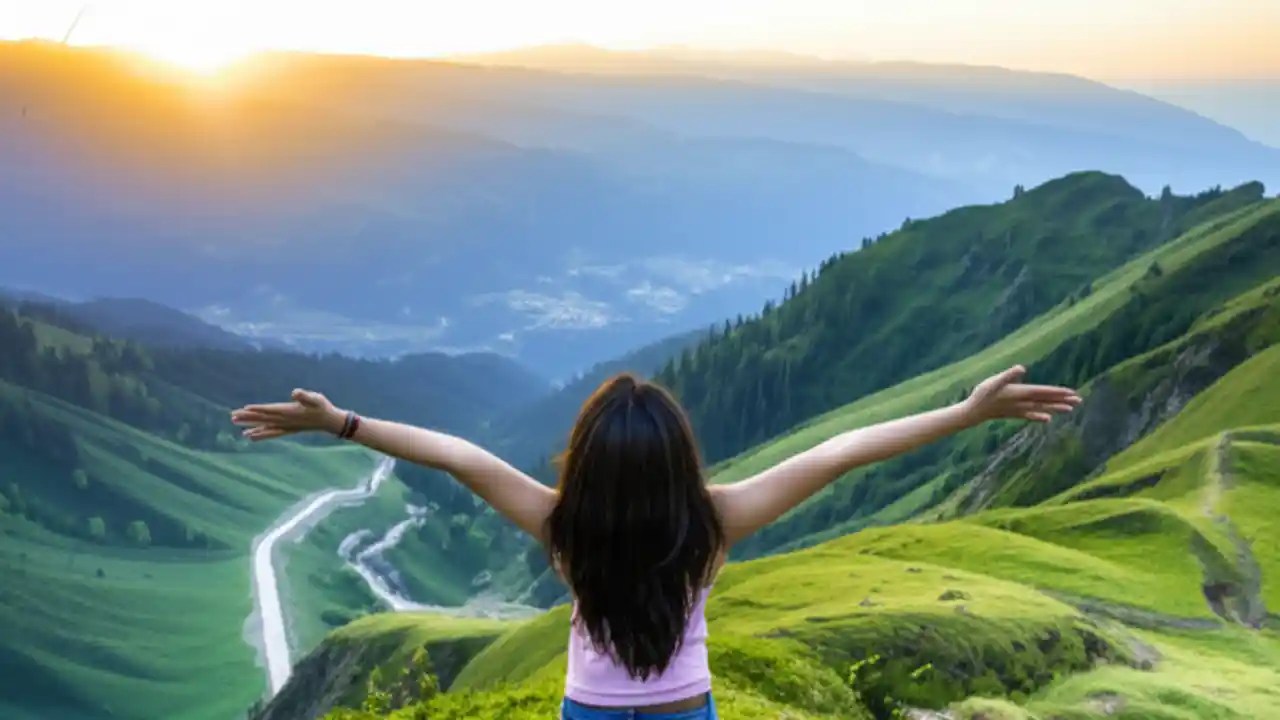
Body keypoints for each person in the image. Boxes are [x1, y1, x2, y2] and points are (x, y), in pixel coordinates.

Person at [231, 364, 1079, 719]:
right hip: (684, 711)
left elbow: (459, 458)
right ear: (680, 458)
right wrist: (966, 414)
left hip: (588, 713)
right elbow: (841, 452)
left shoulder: (563, 526)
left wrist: (341, 422)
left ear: (587, 461)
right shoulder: (712, 522)